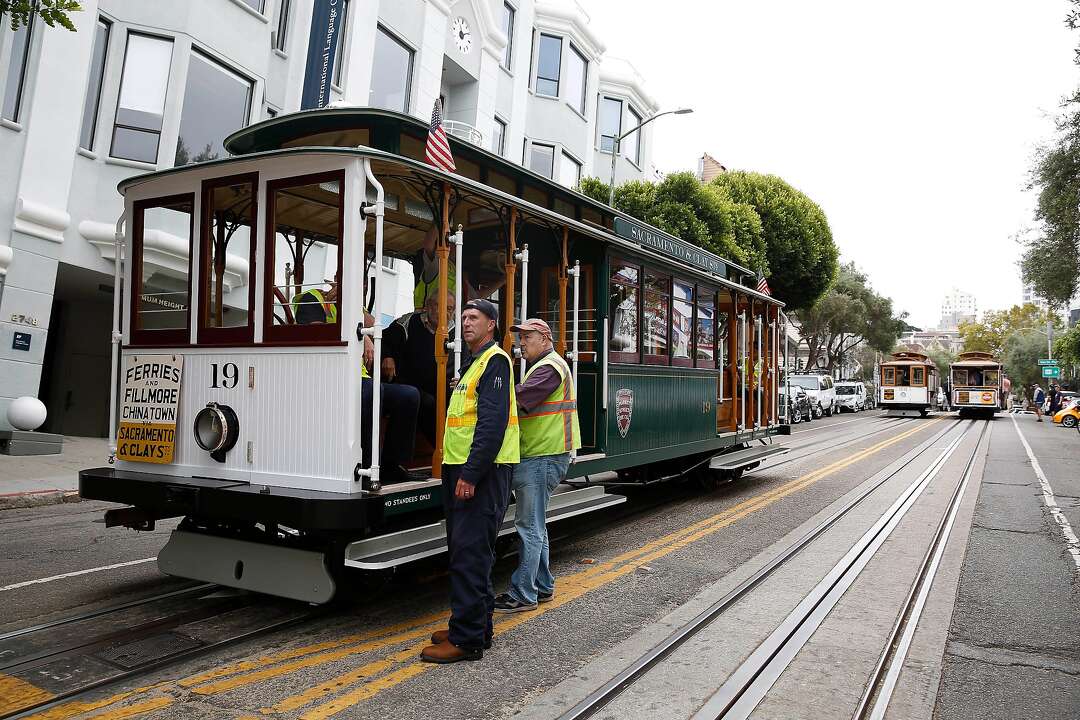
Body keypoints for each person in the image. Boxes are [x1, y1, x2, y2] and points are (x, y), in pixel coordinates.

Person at [422, 299, 519, 663]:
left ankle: (466, 640)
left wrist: (471, 475)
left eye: (473, 317)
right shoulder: (475, 364)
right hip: (463, 469)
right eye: (462, 317)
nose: (465, 323)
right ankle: (475, 626)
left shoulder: (495, 361)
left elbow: (491, 426)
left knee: (468, 555)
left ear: (491, 324)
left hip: (481, 473)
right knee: (471, 553)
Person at [493, 318, 581, 613]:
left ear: (545, 338)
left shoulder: (548, 367)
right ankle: (542, 586)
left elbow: (520, 398)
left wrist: (482, 388)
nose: (522, 344)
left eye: (527, 337)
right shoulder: (546, 365)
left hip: (542, 455)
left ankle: (523, 593)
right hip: (544, 454)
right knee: (536, 525)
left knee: (528, 526)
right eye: (520, 338)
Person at [382, 291, 461, 446]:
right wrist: (387, 356)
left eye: (450, 308)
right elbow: (383, 339)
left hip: (441, 385)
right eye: (439, 306)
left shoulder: (458, 332)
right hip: (409, 382)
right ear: (428, 306)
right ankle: (441, 449)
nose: (444, 312)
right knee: (427, 402)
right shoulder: (407, 323)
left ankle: (456, 453)